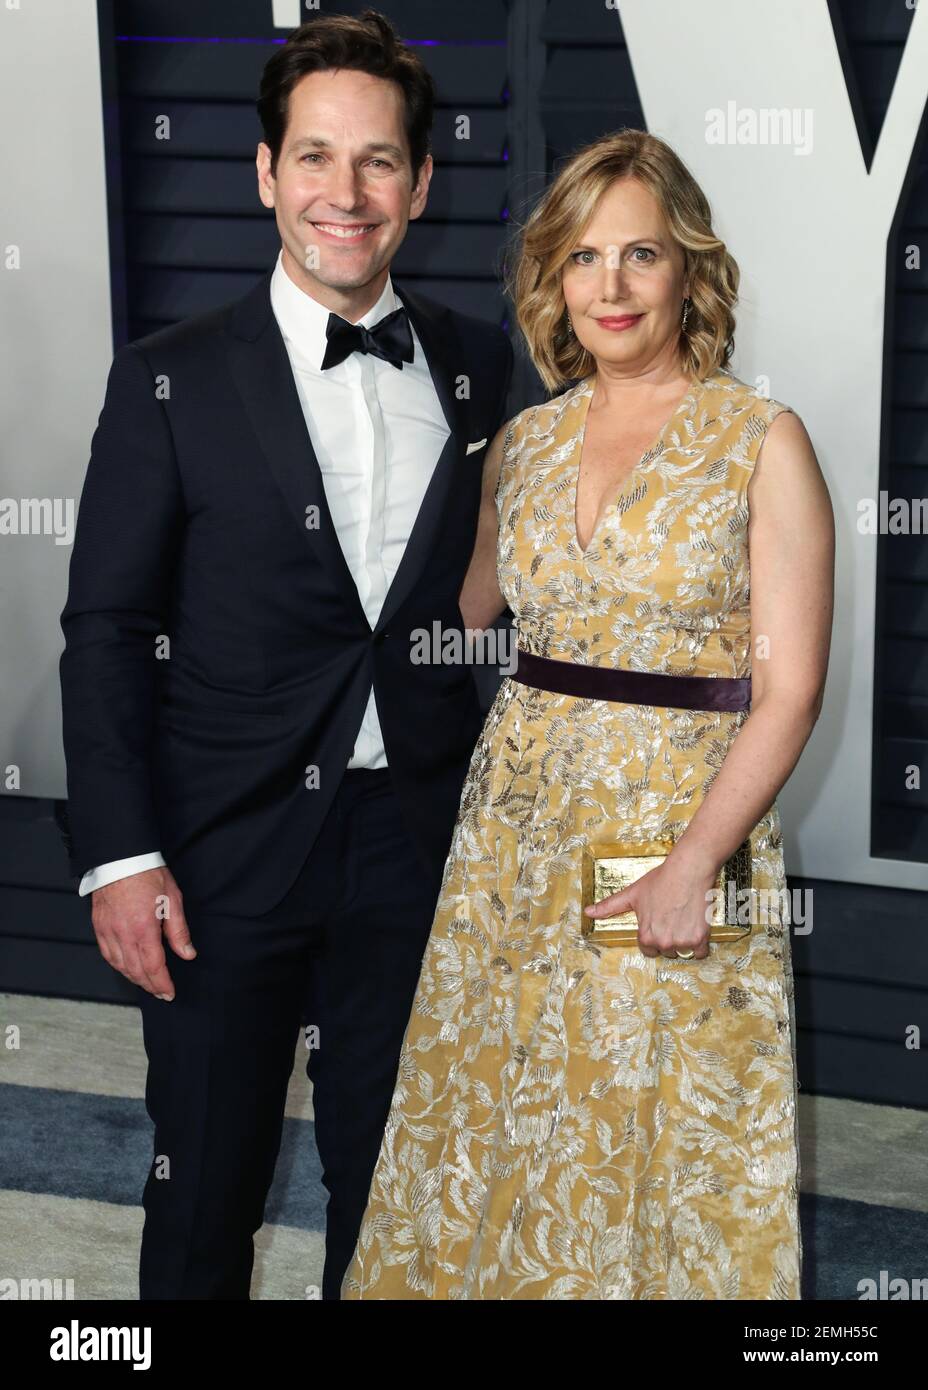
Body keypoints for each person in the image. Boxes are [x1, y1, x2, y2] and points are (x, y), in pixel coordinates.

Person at [57, 10, 512, 1300]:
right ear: (266, 174)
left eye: (377, 161)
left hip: (413, 847)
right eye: (314, 157)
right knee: (204, 1180)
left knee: (399, 1181)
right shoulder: (166, 378)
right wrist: (121, 852)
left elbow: (501, 603)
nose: (344, 194)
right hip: (216, 850)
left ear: (421, 183)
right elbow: (103, 629)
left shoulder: (480, 370)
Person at [342, 128, 834, 1299]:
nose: (609, 285)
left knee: (645, 1123)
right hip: (511, 838)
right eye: (582, 258)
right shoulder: (520, 442)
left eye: (641, 255)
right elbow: (453, 611)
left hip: (664, 836)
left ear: (690, 273)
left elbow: (793, 687)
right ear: (553, 280)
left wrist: (691, 863)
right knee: (496, 1113)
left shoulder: (759, 442)